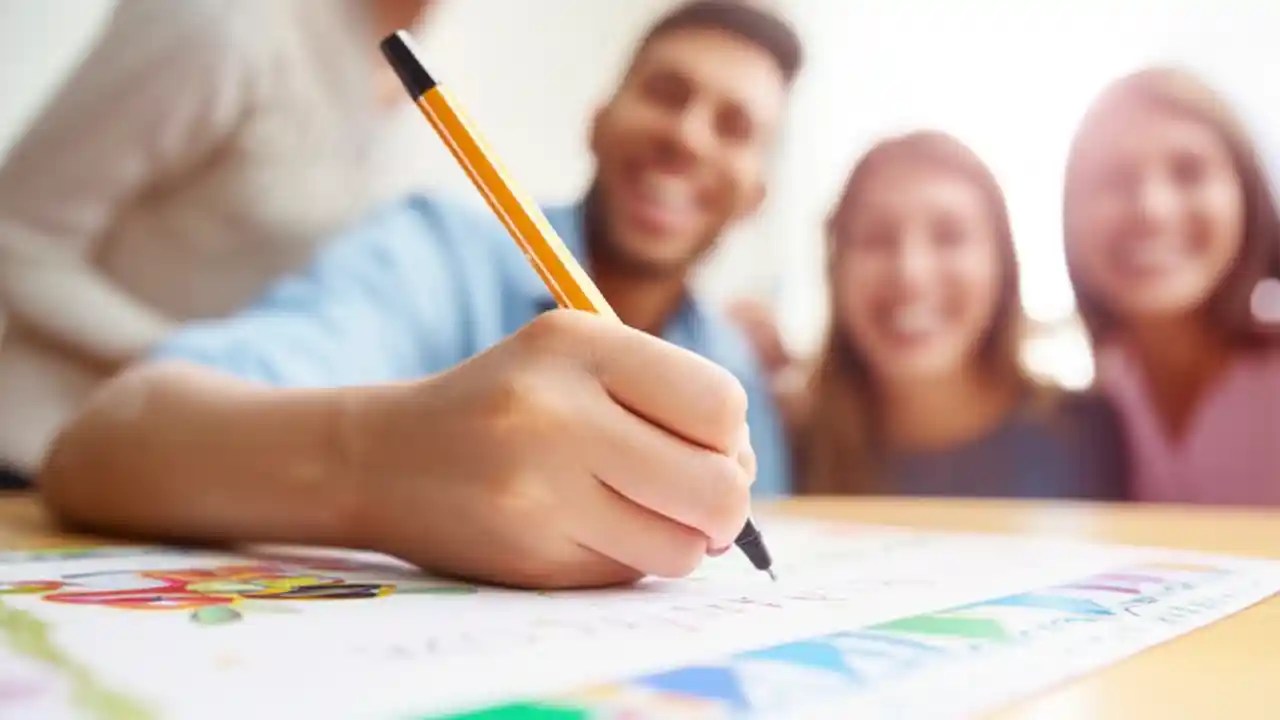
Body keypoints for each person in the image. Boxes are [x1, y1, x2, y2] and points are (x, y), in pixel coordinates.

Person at [39, 1, 801, 589]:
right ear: (597, 121)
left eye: (734, 127)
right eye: (666, 94)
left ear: (757, 193)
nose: (690, 137)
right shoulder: (436, 251)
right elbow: (108, 442)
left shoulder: (732, 360)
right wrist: (371, 463)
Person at [0, 0, 437, 484]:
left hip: (202, 484)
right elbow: (15, 233)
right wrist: (204, 360)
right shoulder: (220, 22)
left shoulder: (400, 52)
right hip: (48, 458)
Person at [792, 131, 1126, 497]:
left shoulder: (1094, 434)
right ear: (835, 266)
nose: (910, 272)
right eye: (876, 238)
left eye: (949, 236)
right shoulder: (783, 442)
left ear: (1002, 264)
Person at [1064, 68, 1280, 505]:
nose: (1151, 209)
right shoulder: (1100, 398)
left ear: (1247, 193)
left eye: (1188, 171)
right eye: (1113, 178)